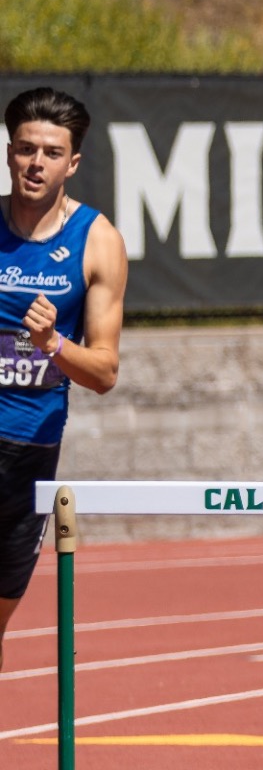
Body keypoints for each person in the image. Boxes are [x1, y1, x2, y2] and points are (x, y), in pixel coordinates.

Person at [0, 88, 127, 672]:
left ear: (72, 163)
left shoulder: (97, 241)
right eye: (26, 149)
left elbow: (104, 372)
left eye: (51, 153)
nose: (36, 163)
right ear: (9, 153)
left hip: (29, 446)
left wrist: (54, 344)